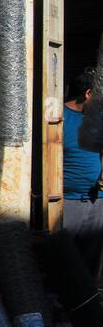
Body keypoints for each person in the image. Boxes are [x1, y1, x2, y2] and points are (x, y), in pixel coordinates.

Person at [62, 68, 103, 273]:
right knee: (66, 264)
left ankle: (89, 303)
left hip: (97, 201)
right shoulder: (59, 118)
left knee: (90, 265)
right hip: (67, 202)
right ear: (88, 94)